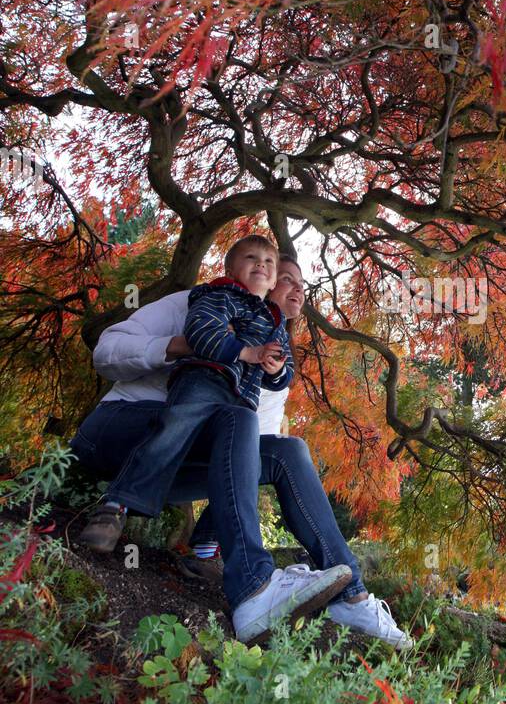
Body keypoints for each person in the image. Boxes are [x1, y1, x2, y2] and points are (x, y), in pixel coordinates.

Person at [71, 241, 412, 648]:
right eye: (282, 277)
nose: (292, 288)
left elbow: (241, 462)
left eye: (298, 282)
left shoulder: (270, 356)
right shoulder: (196, 302)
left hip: (180, 467)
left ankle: (350, 593)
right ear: (246, 276)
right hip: (116, 432)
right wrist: (190, 344)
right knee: (235, 418)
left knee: (286, 450)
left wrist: (206, 543)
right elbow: (105, 351)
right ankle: (251, 584)